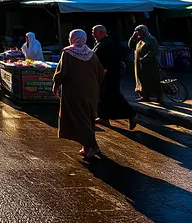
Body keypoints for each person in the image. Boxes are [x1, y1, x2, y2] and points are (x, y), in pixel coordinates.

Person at [52, 29, 106, 159]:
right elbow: (100, 73)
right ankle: (86, 147)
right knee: (88, 118)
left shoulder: (68, 53)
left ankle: (93, 146)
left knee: (79, 119)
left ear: (72, 38)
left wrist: (56, 85)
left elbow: (61, 72)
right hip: (91, 92)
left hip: (74, 92)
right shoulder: (91, 53)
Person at [92, 25, 137, 130]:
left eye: (95, 32)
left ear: (102, 32)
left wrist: (105, 69)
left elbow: (112, 59)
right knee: (102, 96)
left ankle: (132, 115)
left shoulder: (108, 43)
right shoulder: (100, 43)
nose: (93, 35)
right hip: (102, 75)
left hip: (109, 74)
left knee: (113, 95)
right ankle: (104, 117)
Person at [128, 25, 162, 103]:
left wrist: (146, 57)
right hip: (139, 64)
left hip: (150, 64)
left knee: (153, 80)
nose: (137, 33)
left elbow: (155, 50)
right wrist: (133, 37)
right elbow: (130, 46)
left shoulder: (151, 39)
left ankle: (159, 97)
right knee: (141, 80)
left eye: (139, 31)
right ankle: (144, 96)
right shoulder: (138, 40)